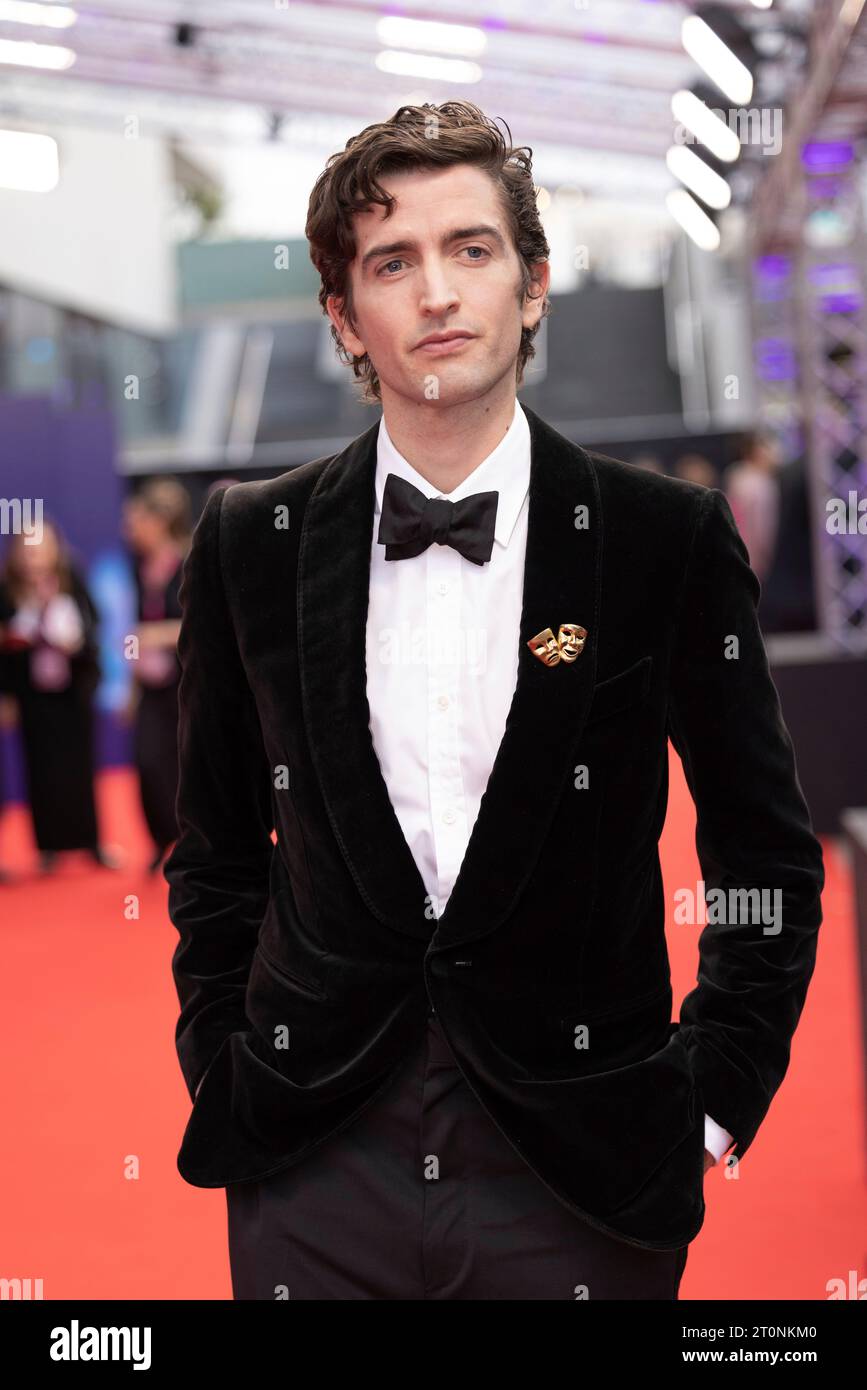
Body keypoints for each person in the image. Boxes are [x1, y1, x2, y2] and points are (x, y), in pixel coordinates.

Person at [164, 101, 824, 1300]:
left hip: (581, 1162)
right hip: (315, 1160)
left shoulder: (661, 537)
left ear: (534, 286)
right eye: (391, 261)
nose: (436, 292)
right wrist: (221, 1058)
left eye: (472, 249)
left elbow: (764, 848)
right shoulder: (246, 541)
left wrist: (718, 1090)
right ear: (342, 317)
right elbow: (213, 855)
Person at [0, 523, 120, 872]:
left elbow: (93, 626)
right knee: (39, 767)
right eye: (28, 549)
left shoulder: (72, 580)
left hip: (73, 690)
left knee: (81, 766)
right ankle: (48, 847)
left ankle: (92, 841)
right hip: (32, 693)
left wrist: (73, 640)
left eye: (41, 548)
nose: (34, 556)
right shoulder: (9, 592)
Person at [121, 480, 190, 874]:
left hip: (186, 686)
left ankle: (191, 842)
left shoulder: (187, 563)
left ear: (160, 521)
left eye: (136, 520)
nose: (129, 529)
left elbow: (205, 626)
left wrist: (158, 634)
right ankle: (162, 838)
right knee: (147, 762)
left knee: (185, 765)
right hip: (150, 686)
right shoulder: (138, 568)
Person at [722, 429, 783, 583]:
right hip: (756, 559)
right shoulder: (761, 484)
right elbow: (764, 528)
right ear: (757, 452)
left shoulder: (735, 476)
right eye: (769, 448)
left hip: (735, 553)